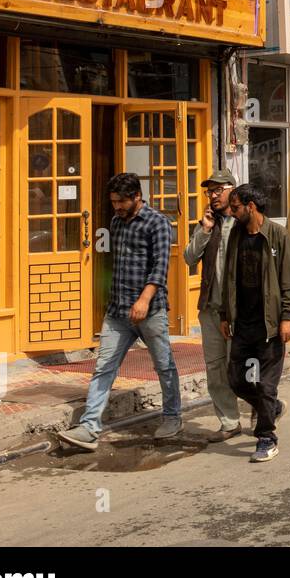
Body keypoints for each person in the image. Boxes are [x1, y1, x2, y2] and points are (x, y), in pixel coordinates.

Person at [58, 173, 179, 451]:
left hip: (150, 310)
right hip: (117, 311)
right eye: (113, 202)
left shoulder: (158, 222)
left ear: (137, 196)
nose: (117, 207)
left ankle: (173, 417)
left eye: (121, 201)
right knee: (104, 367)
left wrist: (143, 300)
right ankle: (89, 427)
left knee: (164, 366)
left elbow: (160, 267)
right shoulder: (116, 221)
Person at [220, 184, 290, 464]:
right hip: (243, 323)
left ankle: (266, 437)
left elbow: (289, 280)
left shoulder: (278, 235)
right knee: (236, 380)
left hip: (270, 324)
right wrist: (225, 315)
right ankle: (271, 407)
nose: (231, 212)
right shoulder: (236, 235)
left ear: (250, 207)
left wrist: (287, 317)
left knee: (265, 385)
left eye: (235, 207)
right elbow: (228, 277)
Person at [182, 170, 241, 440]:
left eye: (218, 190)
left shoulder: (242, 221)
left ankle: (264, 407)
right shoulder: (208, 223)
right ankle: (229, 422)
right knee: (215, 367)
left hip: (239, 310)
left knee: (241, 365)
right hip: (211, 309)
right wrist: (204, 230)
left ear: (232, 190)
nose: (213, 196)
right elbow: (189, 258)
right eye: (210, 191)